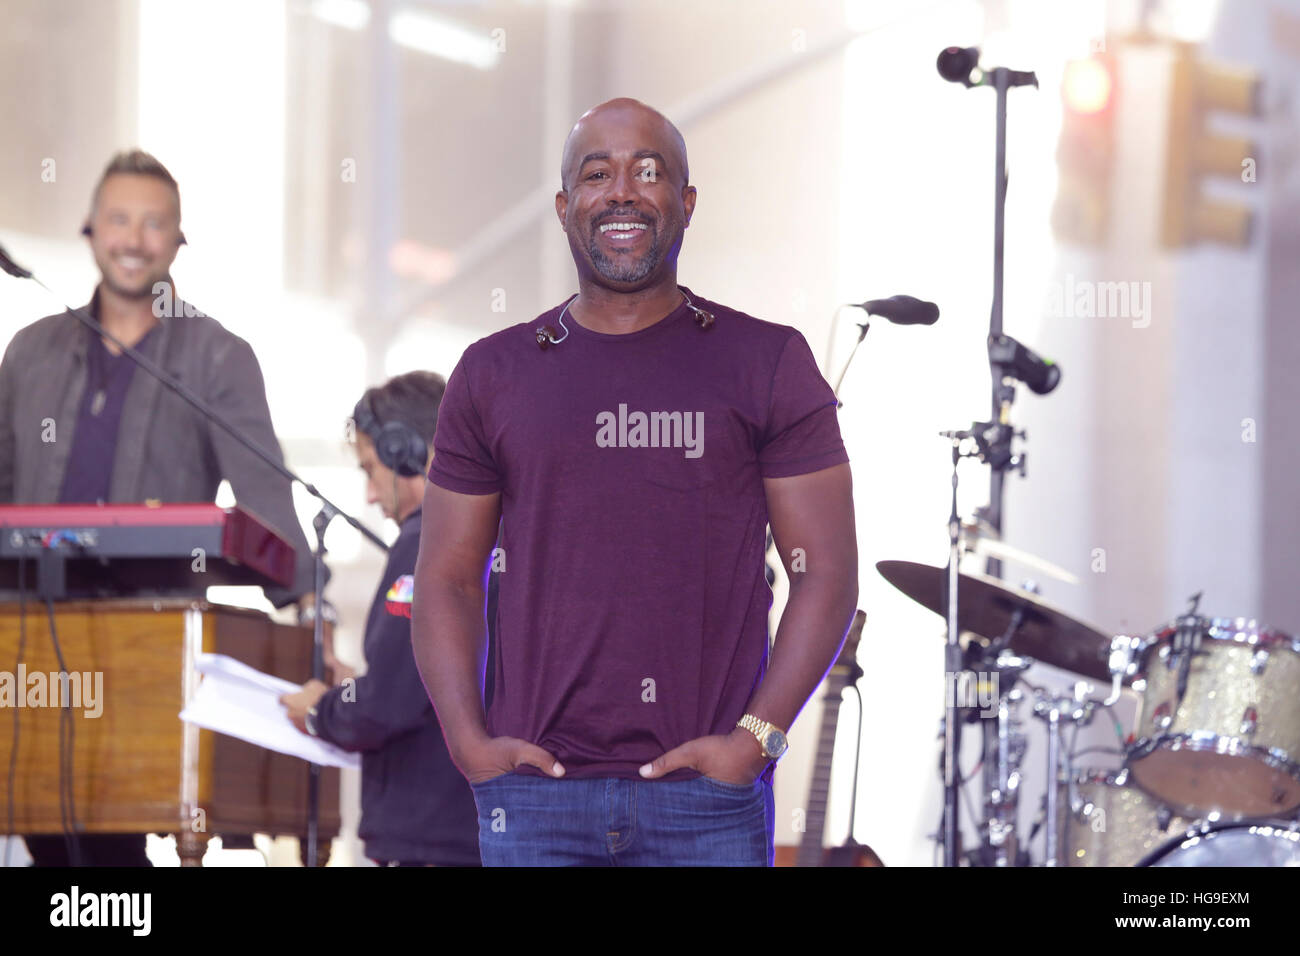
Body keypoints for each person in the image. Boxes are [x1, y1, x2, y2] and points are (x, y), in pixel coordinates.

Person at [412, 98, 859, 866]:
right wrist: (469, 745)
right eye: (597, 173)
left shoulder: (767, 363)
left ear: (685, 202)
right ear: (563, 207)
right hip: (535, 801)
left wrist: (753, 746)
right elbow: (446, 580)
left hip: (707, 803)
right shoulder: (493, 372)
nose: (622, 191)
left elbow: (826, 576)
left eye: (648, 171)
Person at [0, 149, 321, 866]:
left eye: (154, 224)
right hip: (25, 642)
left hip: (151, 647)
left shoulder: (217, 355)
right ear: (89, 229)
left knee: (112, 843)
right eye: (119, 219)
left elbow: (266, 501)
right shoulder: (29, 351)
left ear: (178, 241)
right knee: (48, 838)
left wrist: (311, 612)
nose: (134, 239)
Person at [281, 372, 481, 867]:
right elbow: (420, 681)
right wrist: (359, 685)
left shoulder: (425, 542)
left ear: (405, 452)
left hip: (429, 841)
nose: (370, 495)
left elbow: (388, 703)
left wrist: (318, 710)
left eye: (370, 470)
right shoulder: (484, 532)